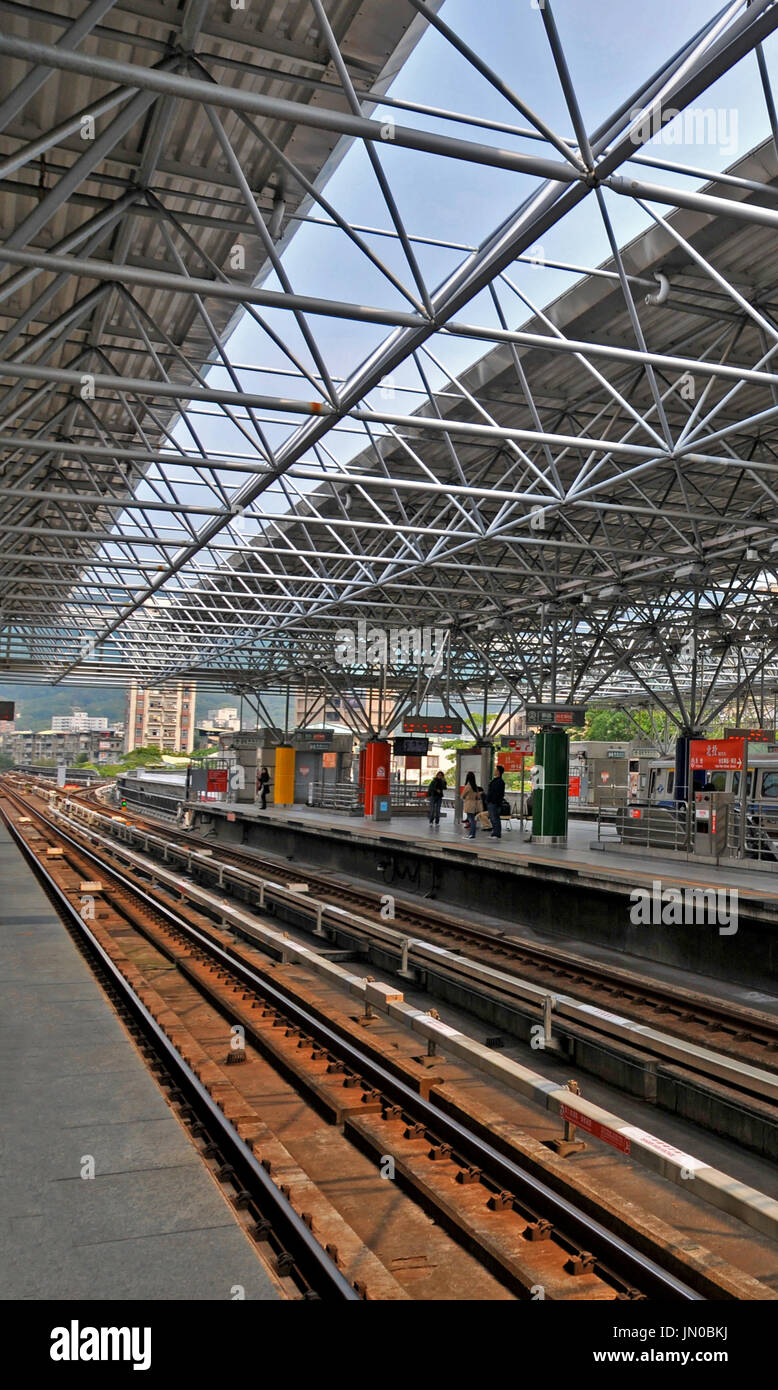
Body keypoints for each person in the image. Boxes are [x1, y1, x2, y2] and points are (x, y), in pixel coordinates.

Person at [486, 763, 506, 839]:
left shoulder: (500, 782)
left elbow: (499, 793)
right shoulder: (495, 780)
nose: (494, 771)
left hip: (494, 803)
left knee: (495, 818)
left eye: (496, 770)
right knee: (492, 818)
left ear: (498, 771)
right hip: (491, 802)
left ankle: (497, 834)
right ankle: (494, 832)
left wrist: (494, 801)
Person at [462, 771, 482, 840]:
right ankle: (472, 834)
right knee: (473, 820)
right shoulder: (475, 787)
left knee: (471, 820)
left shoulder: (468, 786)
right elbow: (478, 796)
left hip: (468, 804)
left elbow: (462, 796)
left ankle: (471, 834)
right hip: (474, 804)